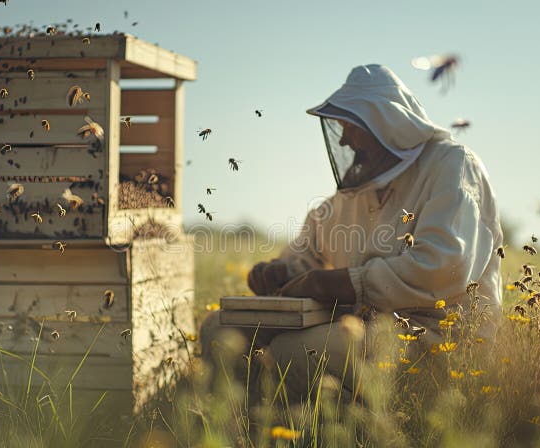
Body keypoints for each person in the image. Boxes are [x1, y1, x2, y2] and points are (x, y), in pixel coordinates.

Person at [199, 64, 503, 402]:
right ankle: (246, 426)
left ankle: (336, 431)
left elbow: (445, 268)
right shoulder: (356, 191)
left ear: (387, 126)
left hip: (437, 336)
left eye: (352, 128)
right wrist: (280, 272)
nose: (343, 139)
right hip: (360, 328)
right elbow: (309, 251)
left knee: (293, 353)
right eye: (341, 128)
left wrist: (339, 282)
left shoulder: (453, 165)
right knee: (219, 329)